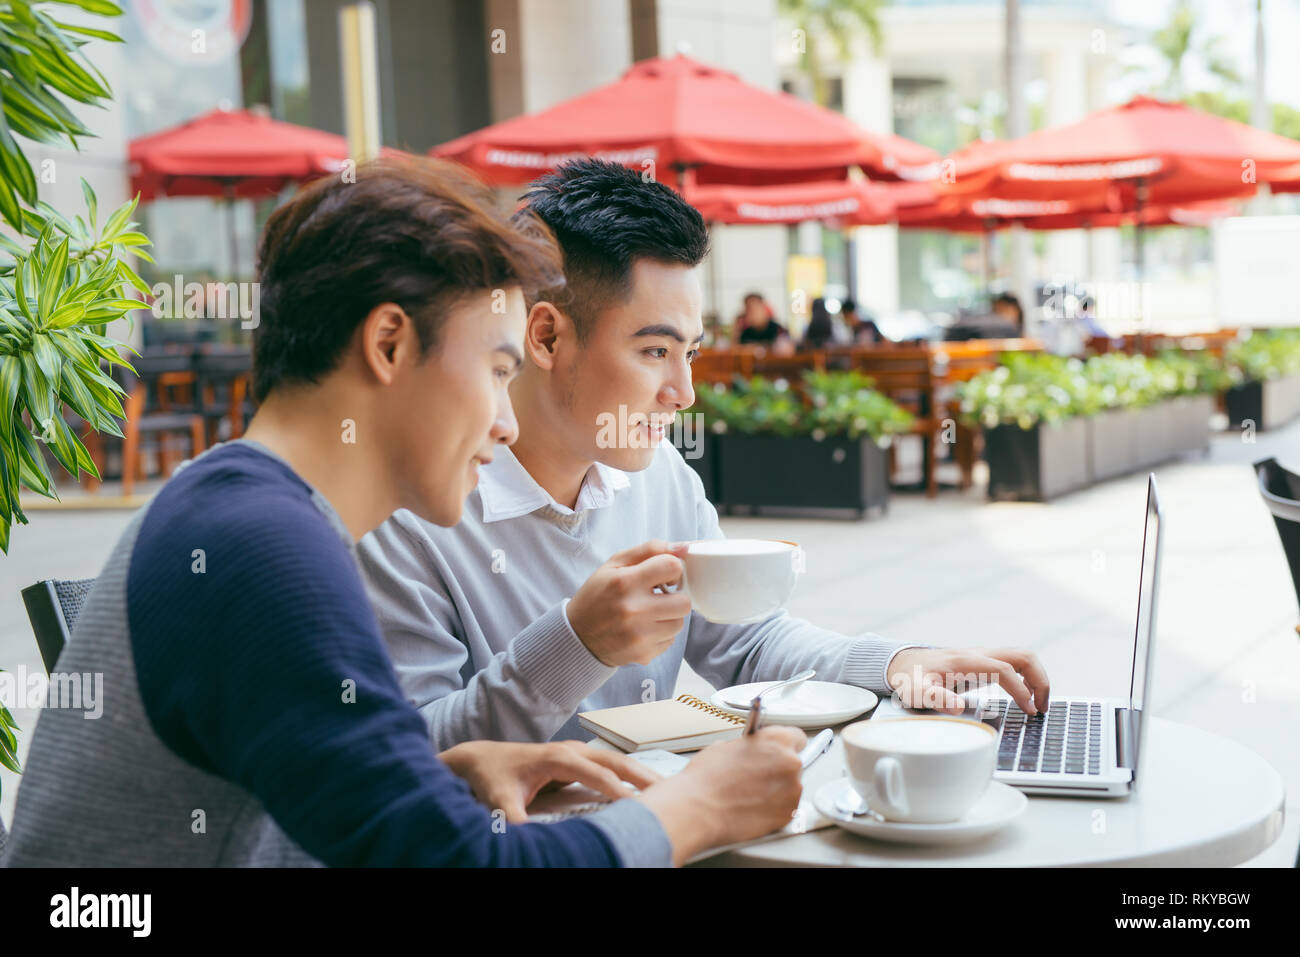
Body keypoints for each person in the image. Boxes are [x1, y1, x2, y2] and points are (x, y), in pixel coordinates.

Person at [0, 158, 806, 869]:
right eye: (496, 368)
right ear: (389, 344)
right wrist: (696, 808)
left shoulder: (245, 511)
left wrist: (444, 772)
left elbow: (339, 801)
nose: (505, 417)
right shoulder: (260, 548)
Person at [357, 159, 1051, 751]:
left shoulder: (658, 477)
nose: (682, 393)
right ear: (544, 338)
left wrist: (898, 662)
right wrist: (577, 643)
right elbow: (414, 756)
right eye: (654, 351)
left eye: (689, 353)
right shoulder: (413, 509)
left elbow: (744, 642)